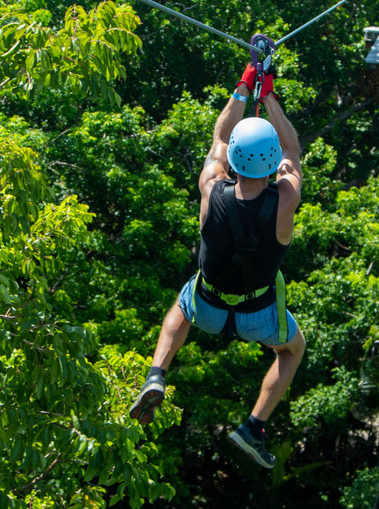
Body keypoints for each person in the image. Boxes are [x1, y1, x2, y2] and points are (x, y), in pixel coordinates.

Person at [128, 59, 306, 469]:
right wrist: (270, 97)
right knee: (292, 351)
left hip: (207, 307)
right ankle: (254, 427)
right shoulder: (285, 200)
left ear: (235, 162)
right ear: (270, 161)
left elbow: (219, 137)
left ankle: (157, 373)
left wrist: (244, 89)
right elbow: (293, 152)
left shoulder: (212, 188)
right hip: (257, 315)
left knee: (181, 306)